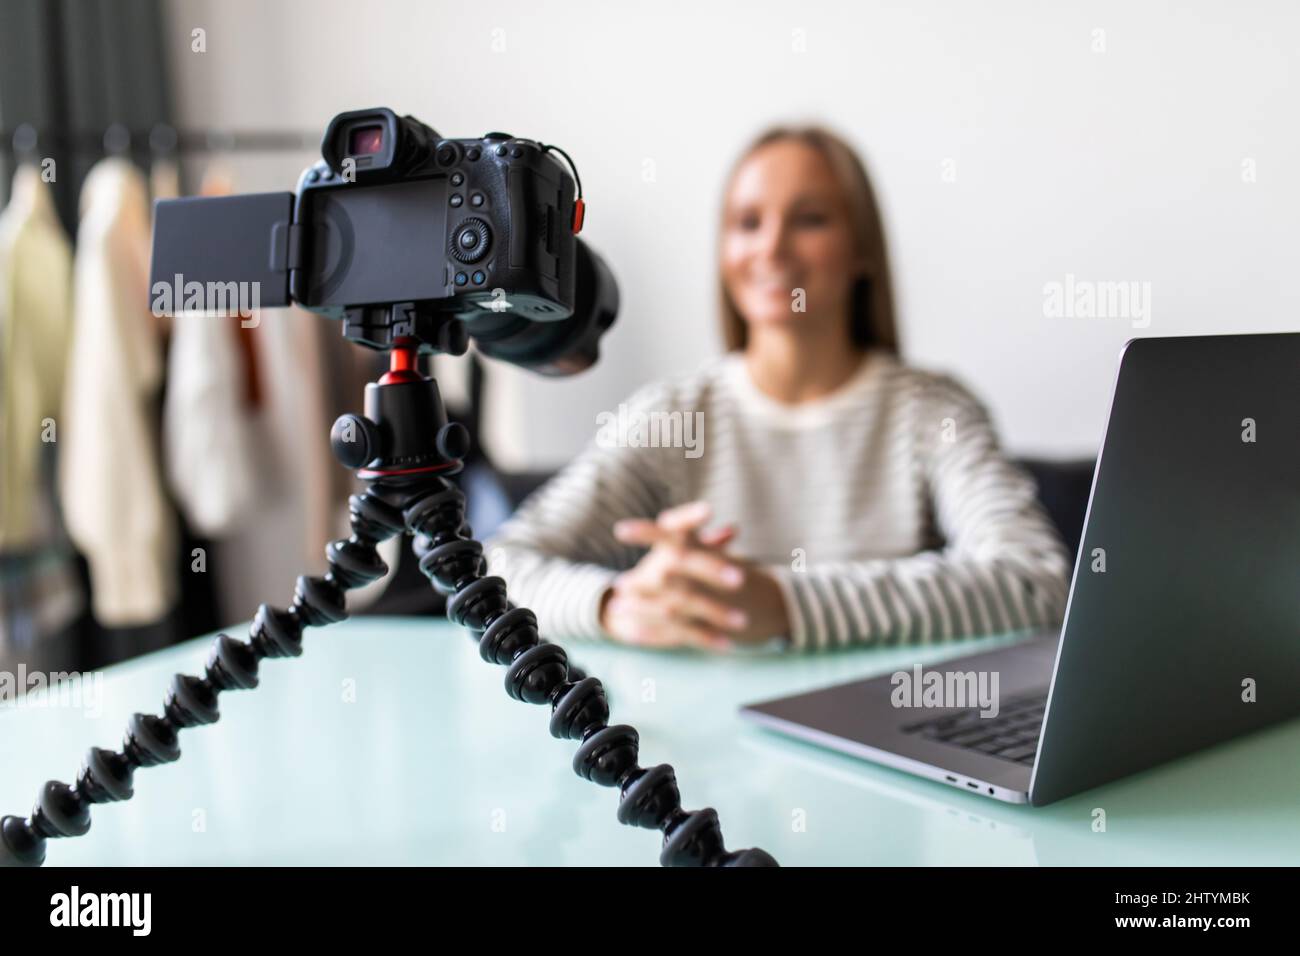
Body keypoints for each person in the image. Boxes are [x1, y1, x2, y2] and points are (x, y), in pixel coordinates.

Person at [484, 125, 1070, 652]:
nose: (771, 248)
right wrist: (617, 604)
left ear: (863, 249)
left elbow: (1033, 580)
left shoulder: (932, 412)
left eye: (810, 219)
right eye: (747, 223)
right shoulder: (673, 416)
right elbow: (498, 568)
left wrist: (787, 605)